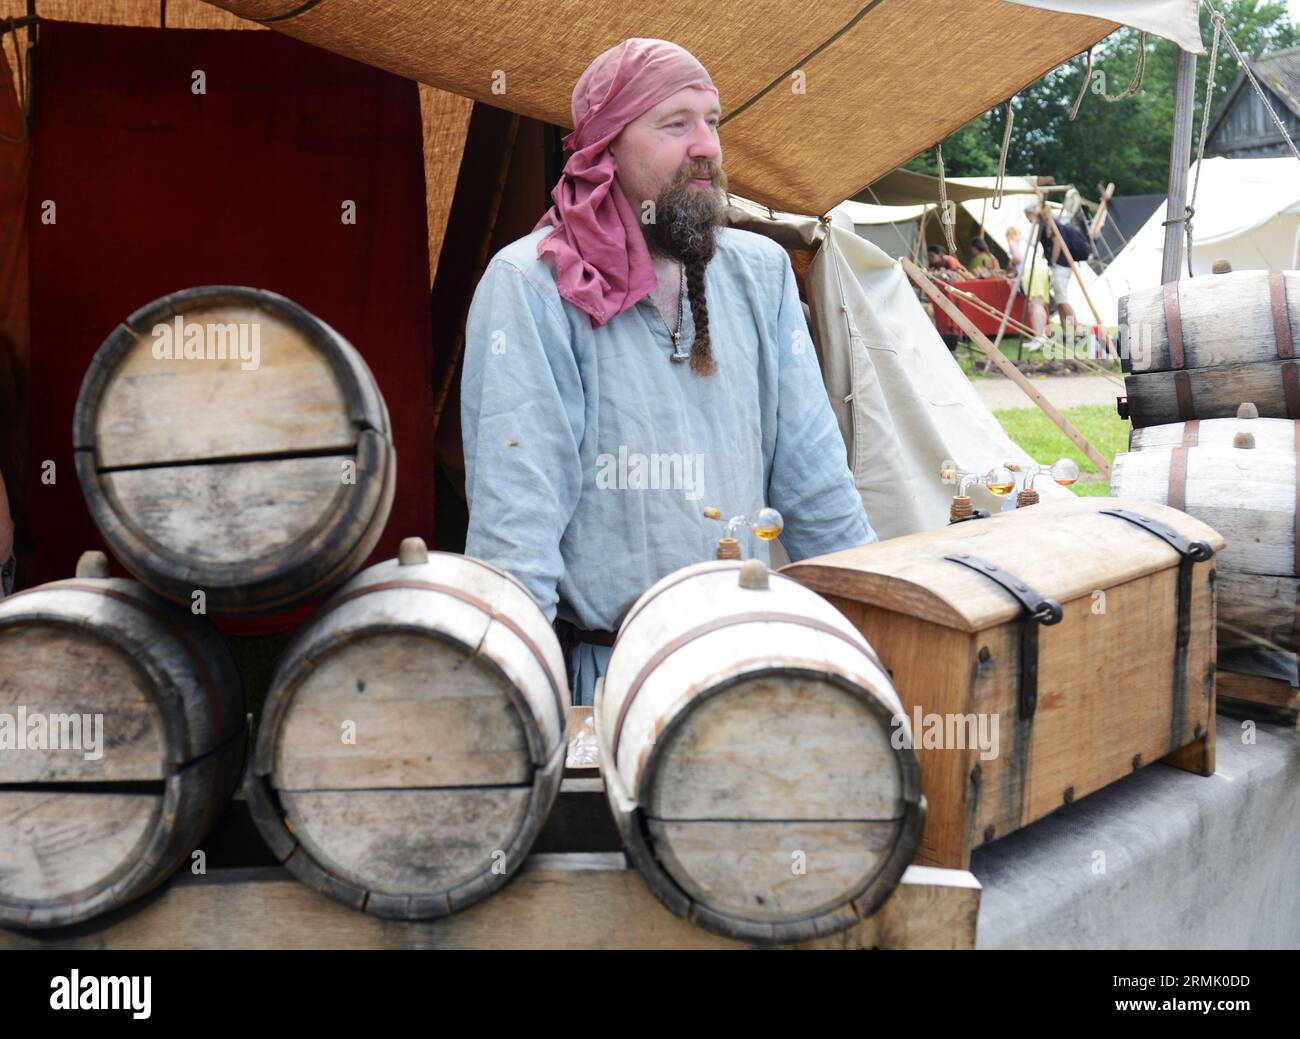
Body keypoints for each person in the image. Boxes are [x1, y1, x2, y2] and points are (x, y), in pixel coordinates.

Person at [460, 38, 876, 705]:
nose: (707, 144)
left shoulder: (760, 272)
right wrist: (520, 712)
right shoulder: (533, 286)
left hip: (754, 669)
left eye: (712, 121)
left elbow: (819, 490)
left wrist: (876, 646)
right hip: (611, 687)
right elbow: (517, 533)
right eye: (675, 123)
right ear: (605, 151)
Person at [1025, 205, 1078, 338]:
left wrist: (1053, 262)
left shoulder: (1051, 225)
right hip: (1060, 265)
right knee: (1059, 301)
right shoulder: (1048, 224)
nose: (1029, 220)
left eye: (1029, 217)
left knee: (1062, 299)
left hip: (1060, 265)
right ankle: (1066, 331)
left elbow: (1057, 244)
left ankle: (1077, 328)